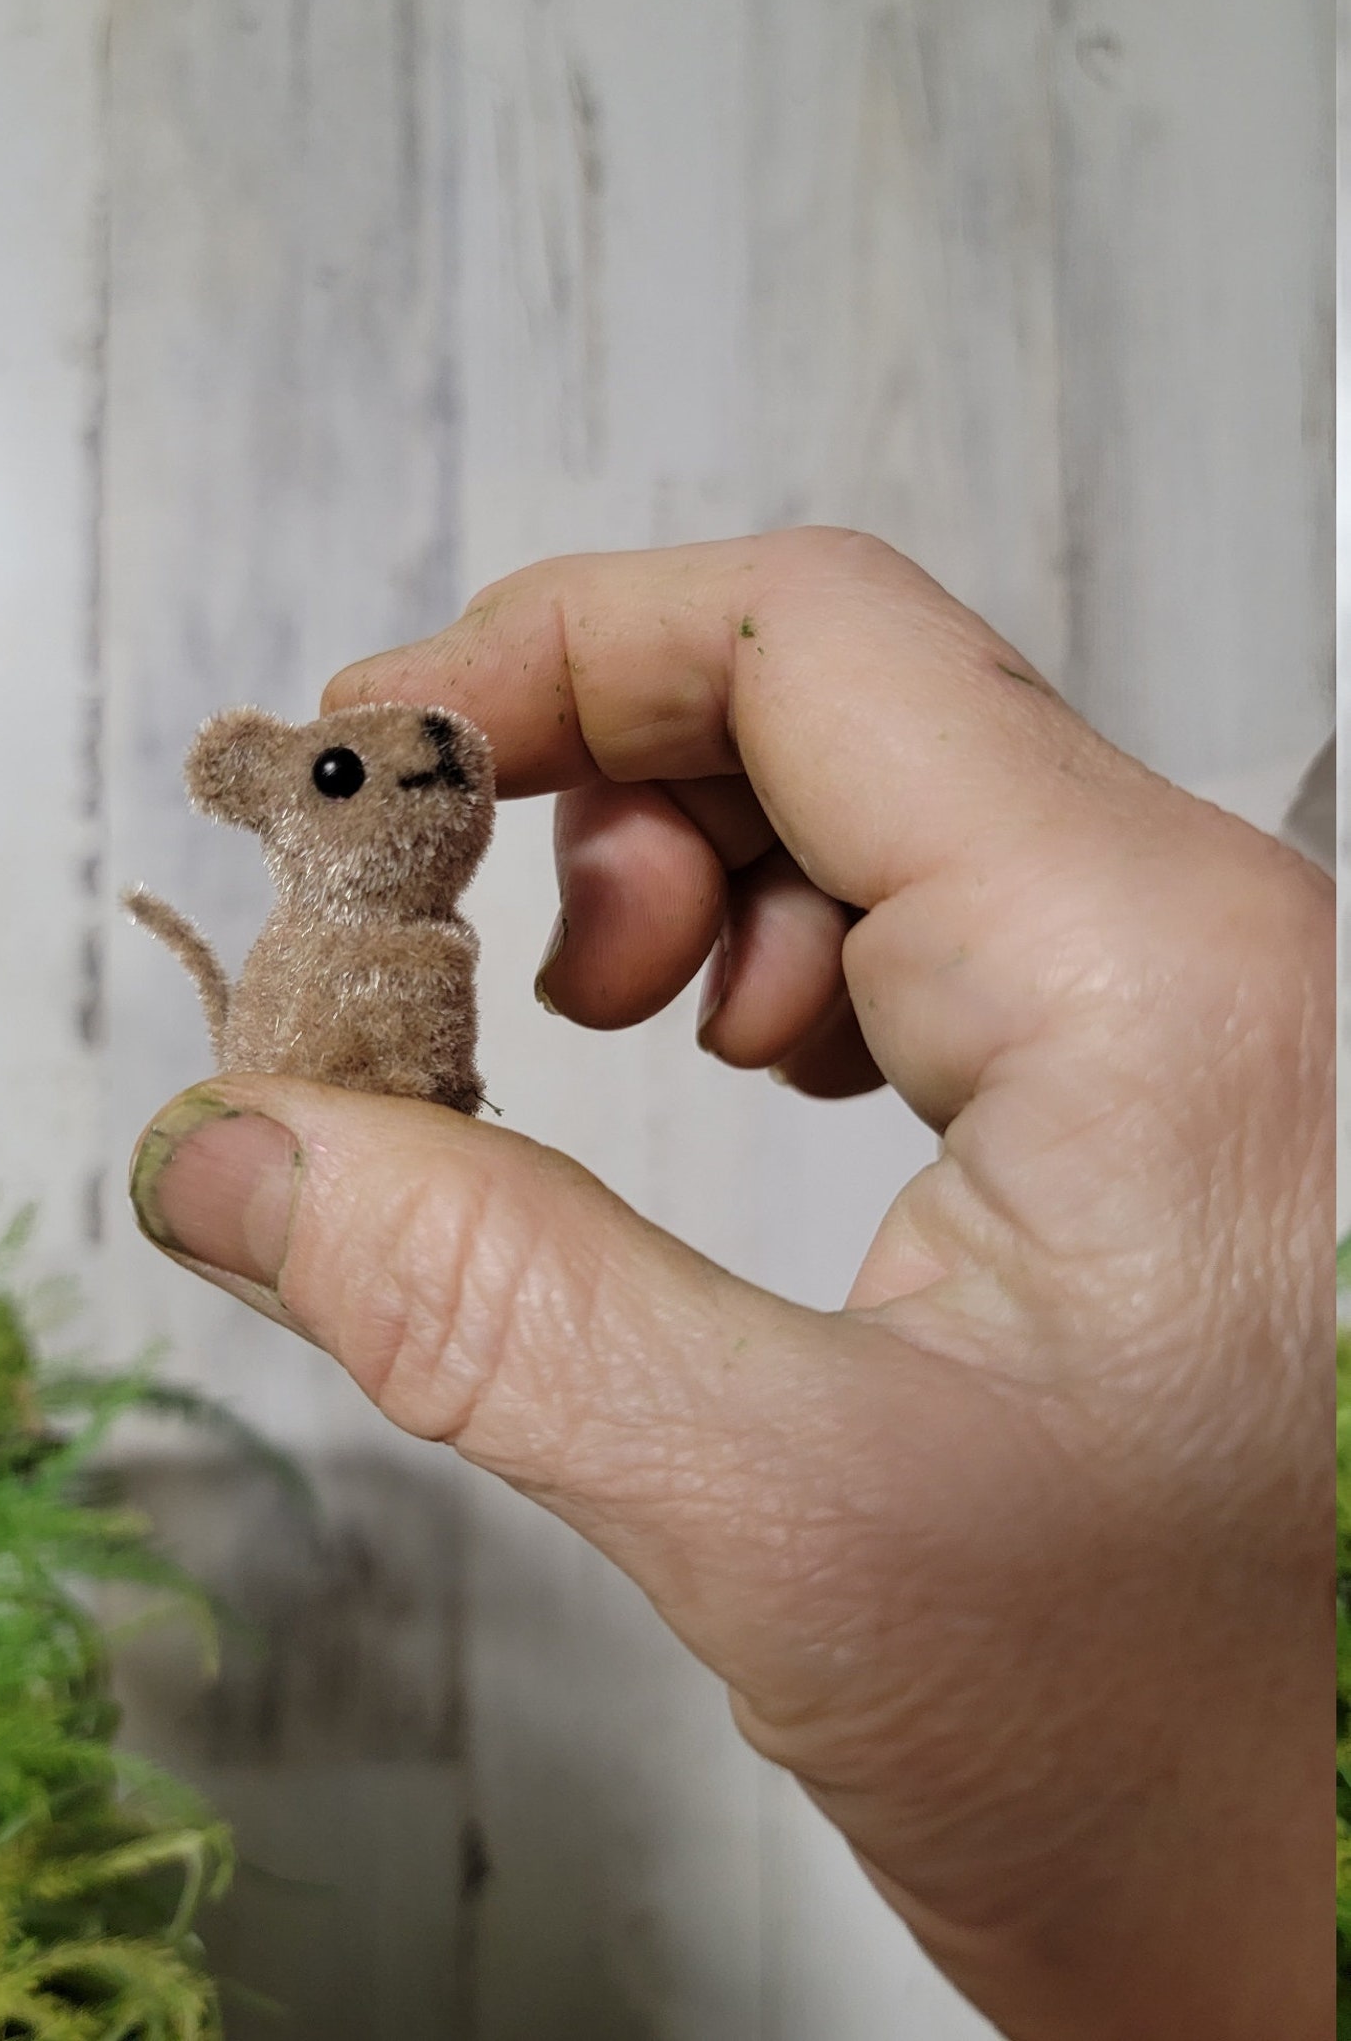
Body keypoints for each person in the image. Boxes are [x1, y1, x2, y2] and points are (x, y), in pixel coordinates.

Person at [128, 530, 1331, 2040]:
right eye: (346, 779)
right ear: (274, 803)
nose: (430, 762)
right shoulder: (322, 949)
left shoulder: (424, 939)